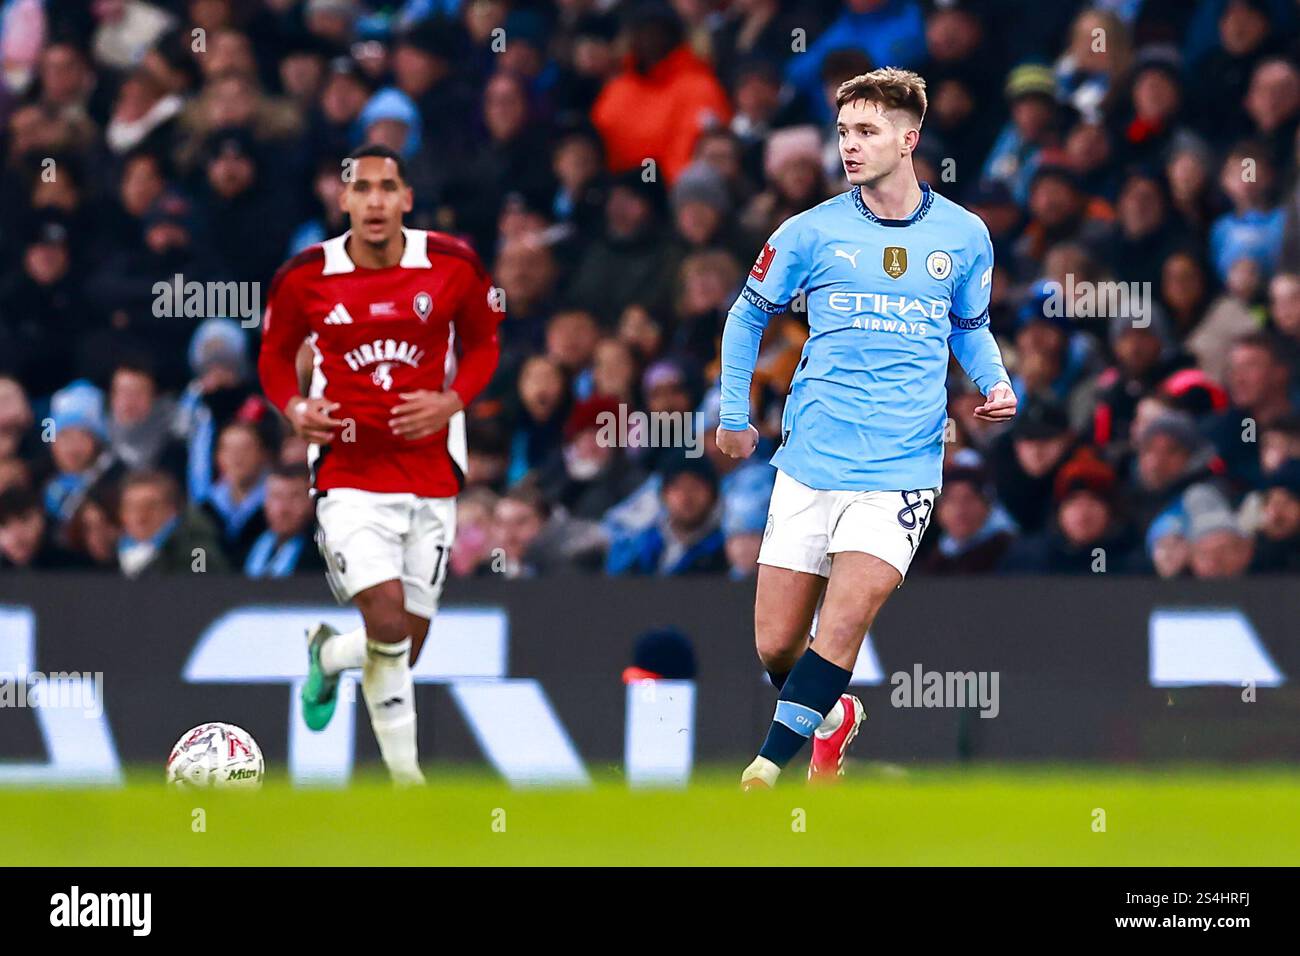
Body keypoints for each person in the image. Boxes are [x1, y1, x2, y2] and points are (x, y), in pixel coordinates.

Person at [716, 68, 1016, 790]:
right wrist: (732, 415)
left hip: (902, 469)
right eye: (844, 131)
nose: (849, 145)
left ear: (909, 139)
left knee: (841, 627)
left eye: (868, 131)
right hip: (810, 459)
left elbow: (969, 327)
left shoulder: (965, 235)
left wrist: (996, 378)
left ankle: (763, 773)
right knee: (777, 645)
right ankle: (831, 715)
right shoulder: (809, 232)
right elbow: (746, 313)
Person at [257, 144, 502, 785]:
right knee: (387, 619)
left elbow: (484, 344)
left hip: (430, 474)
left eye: (386, 188)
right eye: (360, 188)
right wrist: (291, 405)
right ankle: (407, 785)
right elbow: (275, 356)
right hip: (348, 475)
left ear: (406, 199)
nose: (373, 201)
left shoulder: (451, 264)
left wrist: (452, 399)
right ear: (342, 200)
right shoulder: (306, 275)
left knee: (402, 646)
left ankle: (328, 652)